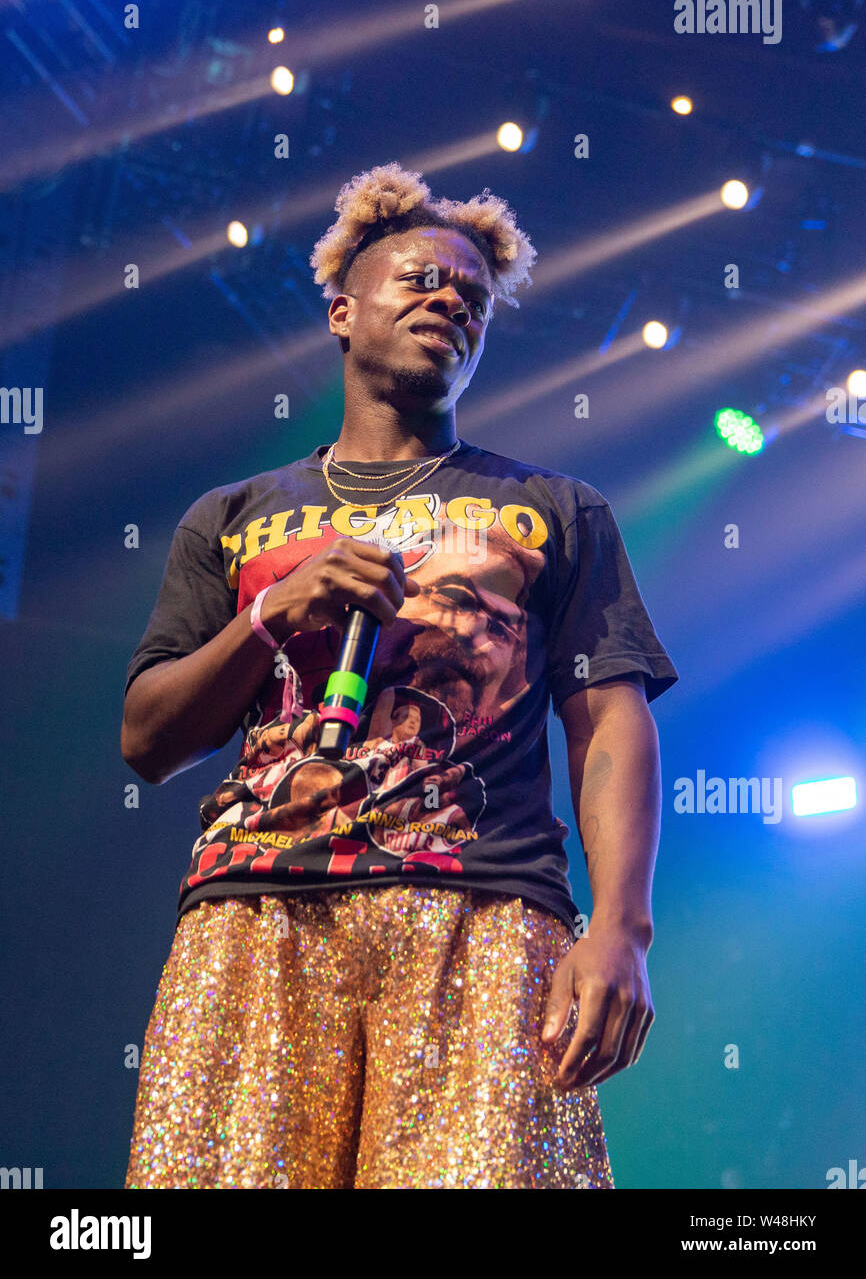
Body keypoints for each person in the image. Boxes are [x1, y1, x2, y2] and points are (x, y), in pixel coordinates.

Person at [121, 161, 678, 1189]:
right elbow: (147, 739)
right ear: (342, 310)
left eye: (469, 299)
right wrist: (269, 616)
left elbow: (606, 723)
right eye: (421, 280)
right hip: (256, 915)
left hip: (482, 914)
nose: (448, 302)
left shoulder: (556, 509)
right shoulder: (234, 515)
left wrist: (620, 929)